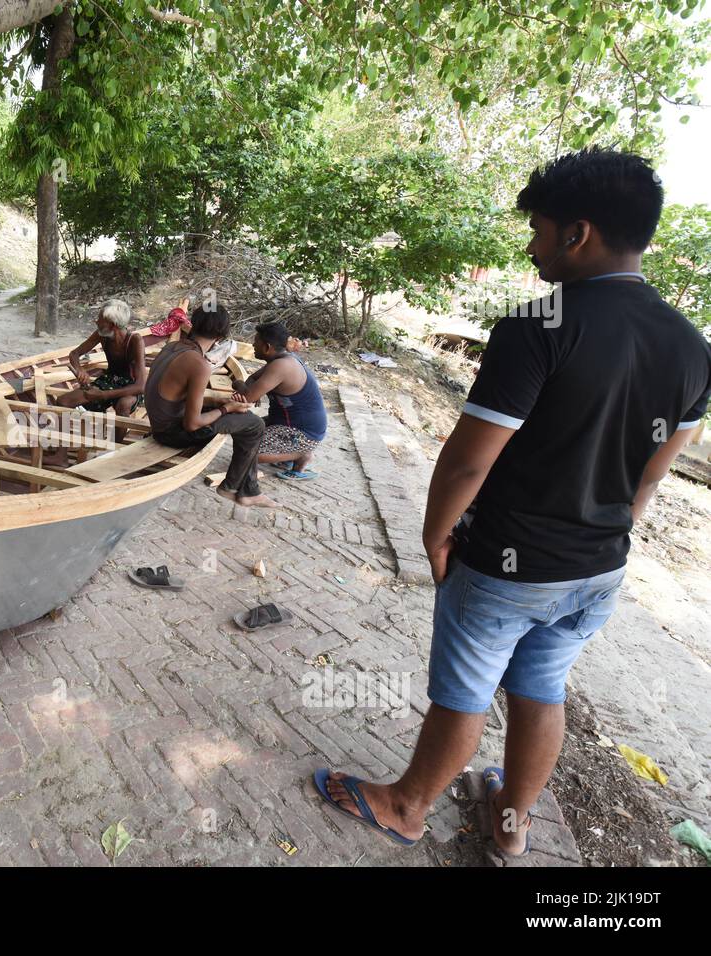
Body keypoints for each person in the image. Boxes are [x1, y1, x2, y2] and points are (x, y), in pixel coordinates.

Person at [316, 147, 711, 856]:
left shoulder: (538, 326)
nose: (531, 246)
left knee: (464, 691)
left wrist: (437, 536)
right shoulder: (693, 349)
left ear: (577, 233)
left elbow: (469, 461)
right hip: (599, 570)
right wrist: (602, 536)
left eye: (537, 227)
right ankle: (512, 823)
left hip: (509, 565)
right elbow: (652, 477)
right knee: (542, 687)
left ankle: (407, 807)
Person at [144, 302, 278, 509]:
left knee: (246, 419)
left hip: (161, 423)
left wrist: (219, 402)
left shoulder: (172, 347)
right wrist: (227, 409)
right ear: (221, 337)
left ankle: (249, 490)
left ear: (193, 324)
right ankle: (233, 488)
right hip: (171, 433)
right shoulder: (199, 364)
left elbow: (175, 396)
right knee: (254, 425)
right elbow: (193, 424)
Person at [232, 322, 327, 479]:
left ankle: (300, 455)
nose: (253, 344)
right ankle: (289, 455)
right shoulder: (280, 359)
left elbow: (248, 398)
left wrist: (238, 384)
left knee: (247, 453)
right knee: (243, 433)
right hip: (285, 423)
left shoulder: (282, 365)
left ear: (267, 347)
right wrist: (247, 388)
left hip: (303, 432)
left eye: (256, 341)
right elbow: (252, 379)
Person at [56, 299, 146, 416]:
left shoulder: (135, 340)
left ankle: (116, 435)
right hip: (108, 380)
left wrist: (103, 395)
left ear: (113, 325)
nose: (96, 322)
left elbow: (141, 386)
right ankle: (75, 433)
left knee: (123, 405)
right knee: (62, 402)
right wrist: (79, 369)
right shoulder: (101, 335)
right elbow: (74, 354)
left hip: (130, 387)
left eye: (100, 320)